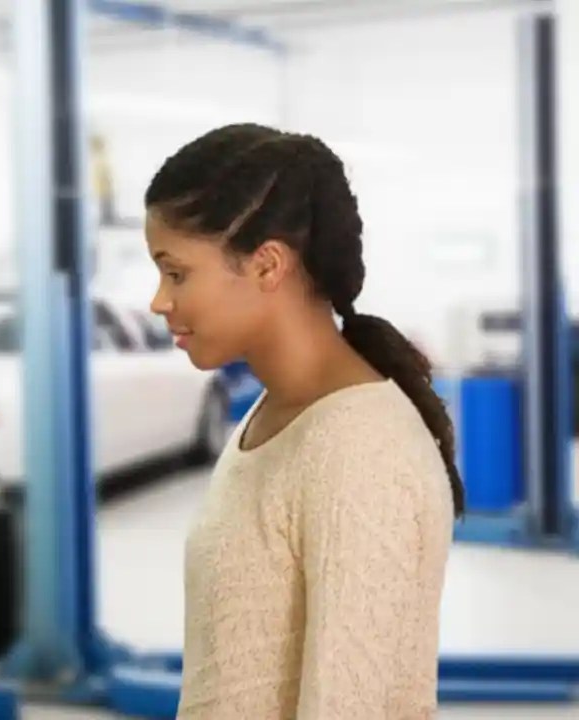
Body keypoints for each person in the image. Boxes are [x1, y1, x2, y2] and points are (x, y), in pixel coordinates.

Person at [143, 123, 462, 719]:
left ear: (268, 265)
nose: (159, 301)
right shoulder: (273, 415)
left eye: (176, 273)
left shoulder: (362, 452)